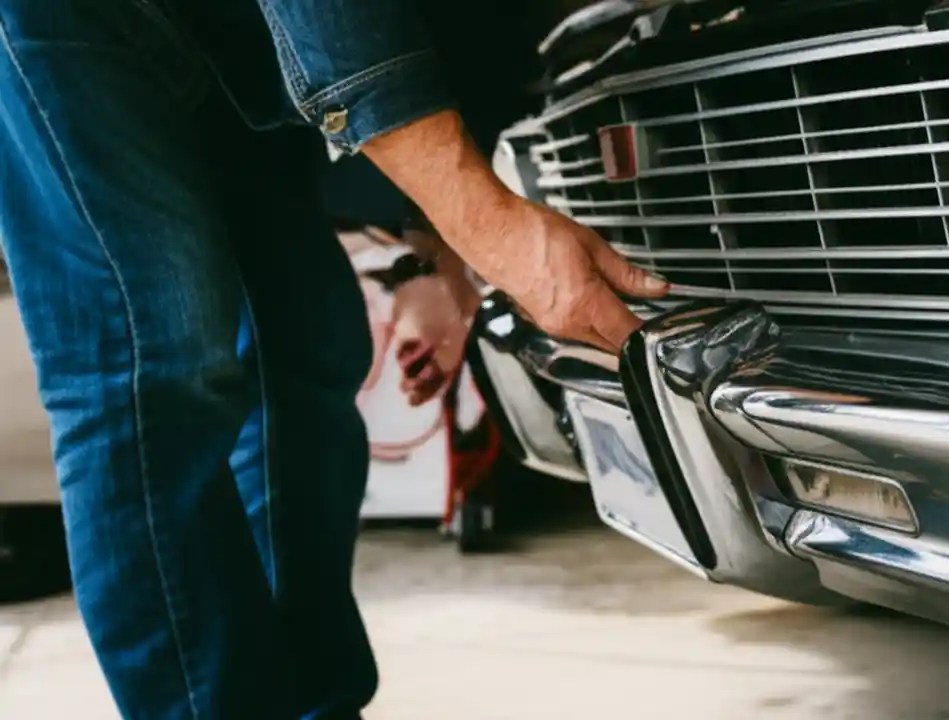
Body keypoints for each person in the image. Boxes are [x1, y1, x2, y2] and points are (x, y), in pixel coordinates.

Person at [0, 1, 668, 718]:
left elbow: (471, 33)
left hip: (236, 33)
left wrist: (435, 259)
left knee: (310, 351)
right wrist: (490, 227)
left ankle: (321, 704)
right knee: (155, 364)